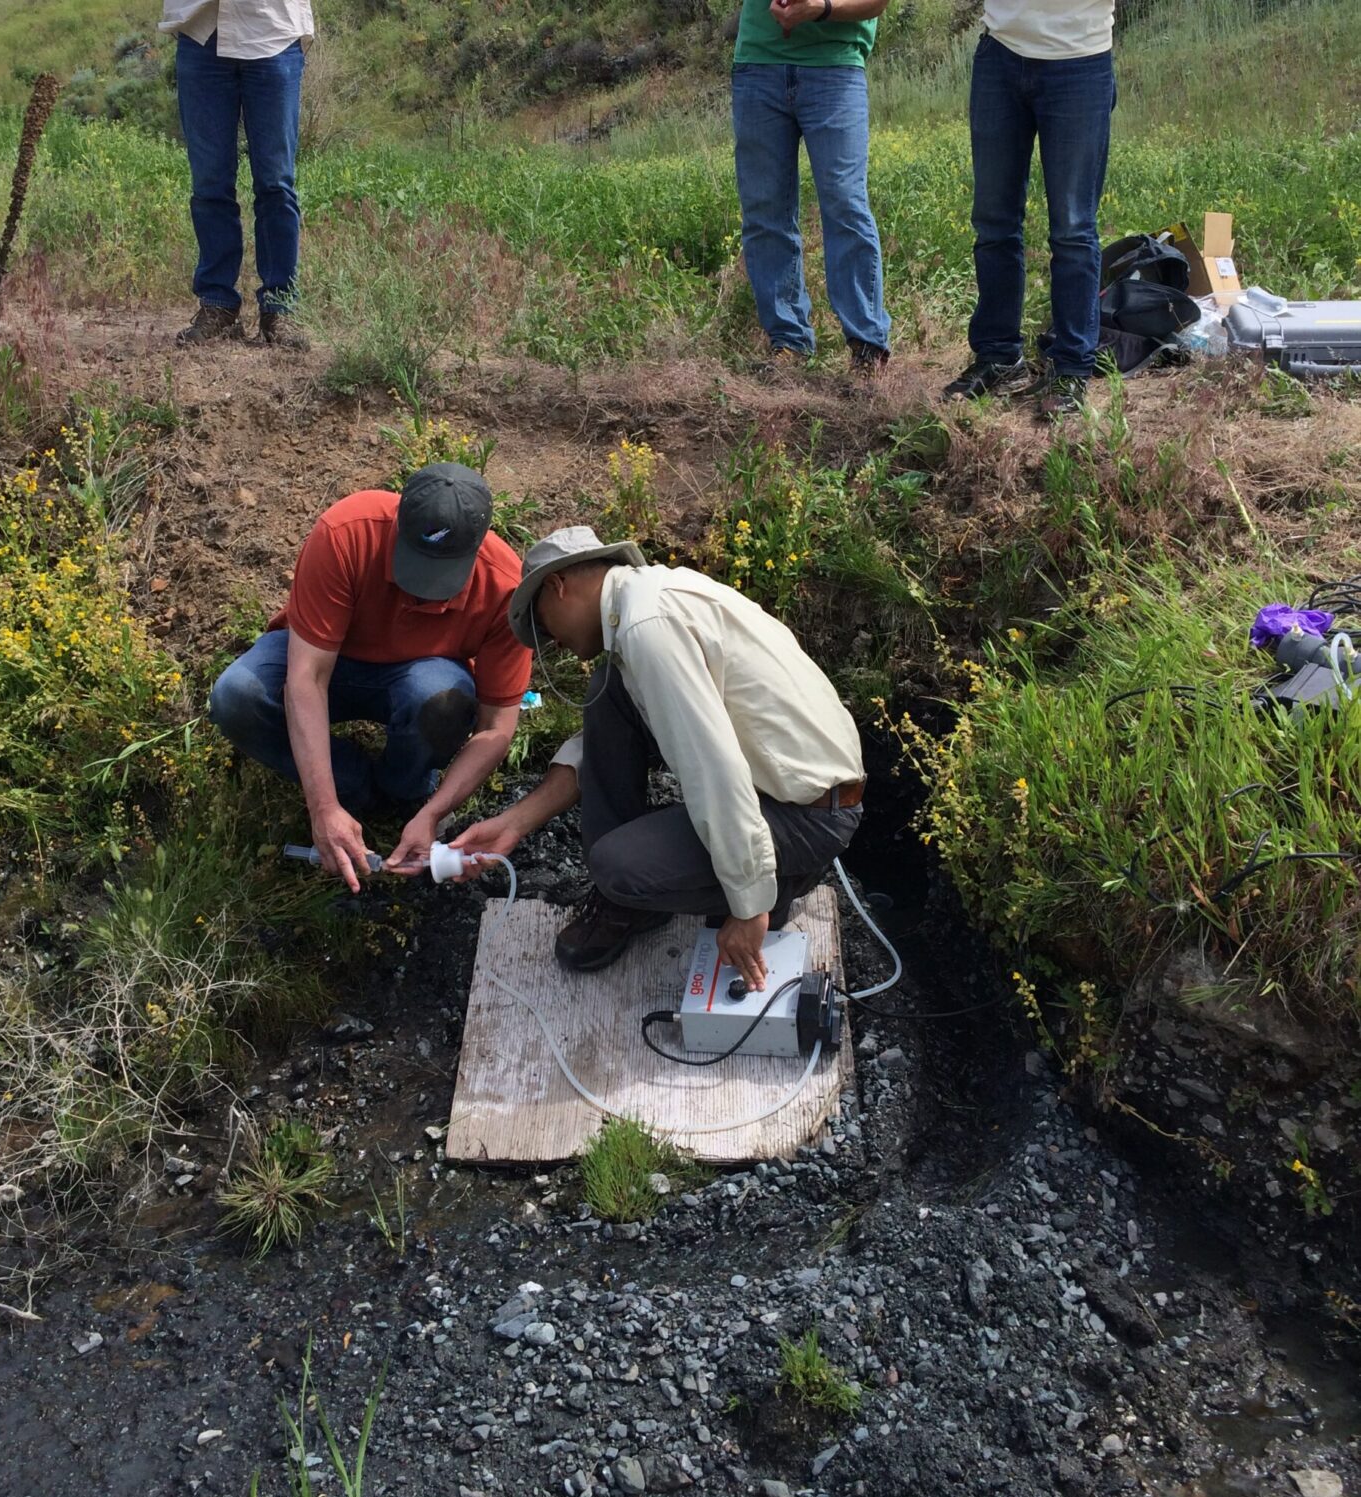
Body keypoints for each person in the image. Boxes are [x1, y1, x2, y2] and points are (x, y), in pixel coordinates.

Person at [449, 528, 866, 994]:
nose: (554, 643)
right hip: (789, 792)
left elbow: (713, 766)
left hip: (806, 814)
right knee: (609, 693)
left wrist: (749, 904)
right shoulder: (651, 601)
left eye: (544, 627)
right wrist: (514, 823)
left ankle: (779, 882)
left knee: (618, 866)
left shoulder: (647, 626)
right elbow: (598, 747)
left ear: (558, 586)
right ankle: (632, 902)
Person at [208, 465, 532, 891]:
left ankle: (406, 792)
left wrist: (433, 813)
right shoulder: (346, 532)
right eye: (414, 567)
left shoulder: (506, 587)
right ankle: (354, 790)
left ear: (476, 549)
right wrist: (323, 805)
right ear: (396, 523)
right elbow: (307, 676)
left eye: (441, 577)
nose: (421, 591)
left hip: (419, 677)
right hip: (327, 657)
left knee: (441, 698)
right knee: (236, 695)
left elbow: (495, 727)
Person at [942, 0, 1118, 418]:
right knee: (994, 222)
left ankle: (1072, 367)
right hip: (1000, 52)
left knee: (1074, 229)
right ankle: (998, 356)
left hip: (1080, 58)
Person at [731, 0, 894, 378]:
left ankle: (867, 347)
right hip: (758, 63)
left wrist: (819, 8)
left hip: (836, 66)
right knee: (764, 211)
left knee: (845, 204)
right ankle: (788, 342)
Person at [159, 1, 315, 348]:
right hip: (201, 31)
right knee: (209, 182)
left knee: (276, 183)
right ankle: (217, 306)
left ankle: (280, 308)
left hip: (273, 30)